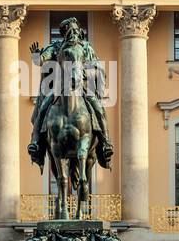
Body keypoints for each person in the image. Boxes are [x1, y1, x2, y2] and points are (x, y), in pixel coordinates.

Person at [27, 16, 114, 169]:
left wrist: (88, 73)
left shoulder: (86, 47)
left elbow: (98, 68)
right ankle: (35, 142)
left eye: (75, 29)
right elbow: (40, 60)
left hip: (83, 88)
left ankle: (106, 142)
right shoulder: (55, 47)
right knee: (42, 109)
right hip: (59, 89)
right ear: (64, 33)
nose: (73, 32)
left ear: (79, 31)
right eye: (69, 30)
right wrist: (36, 55)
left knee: (98, 109)